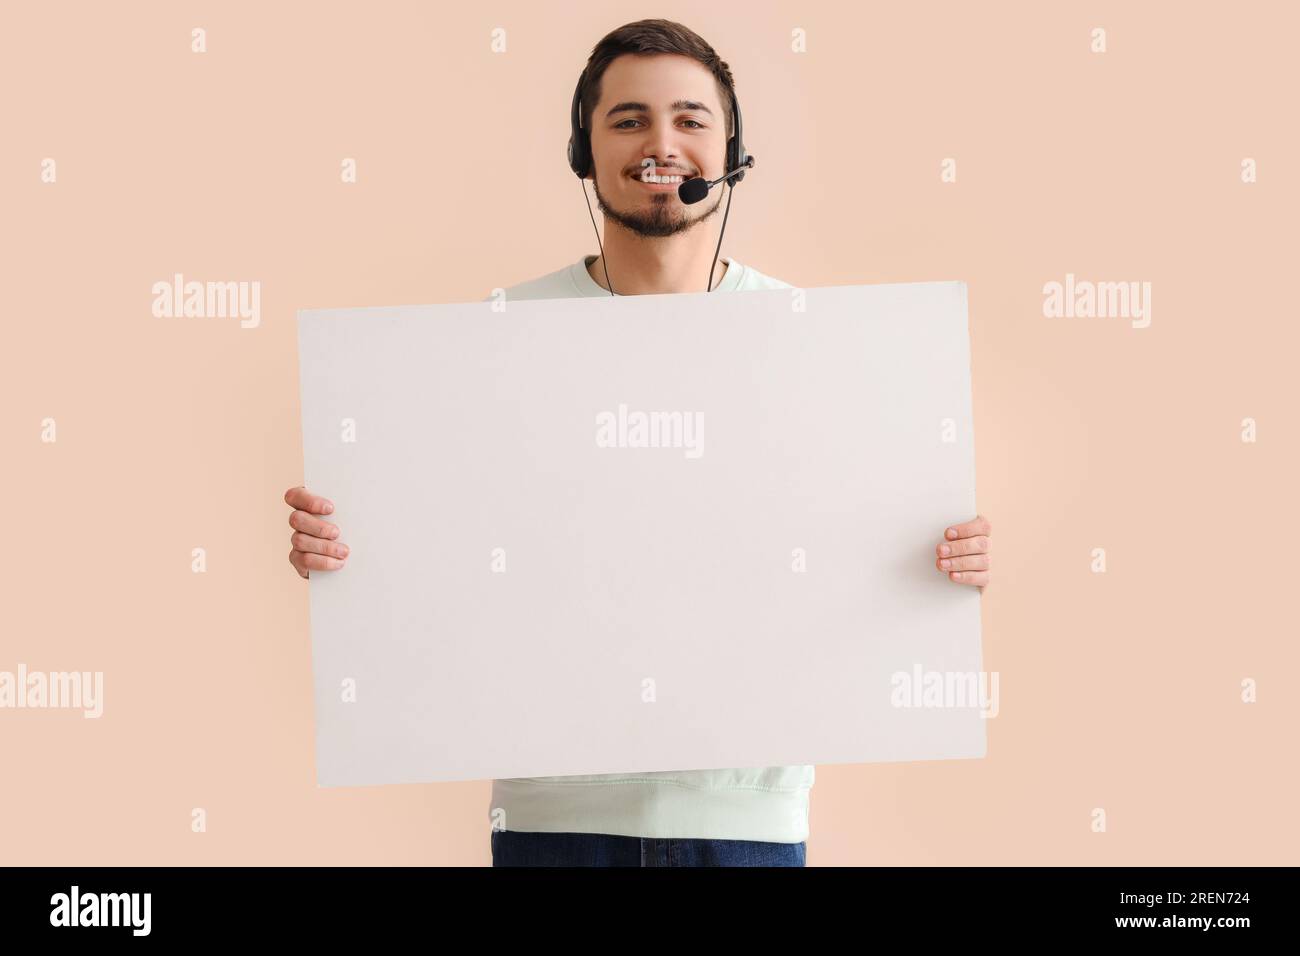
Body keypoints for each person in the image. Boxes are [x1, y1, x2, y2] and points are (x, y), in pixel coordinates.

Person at [285, 19, 993, 867]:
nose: (662, 143)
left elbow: (858, 548)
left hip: (746, 828)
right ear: (583, 154)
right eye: (628, 120)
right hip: (552, 823)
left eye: (691, 120)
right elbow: (446, 546)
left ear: (733, 150)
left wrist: (947, 559)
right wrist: (343, 547)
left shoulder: (817, 345)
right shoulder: (491, 341)